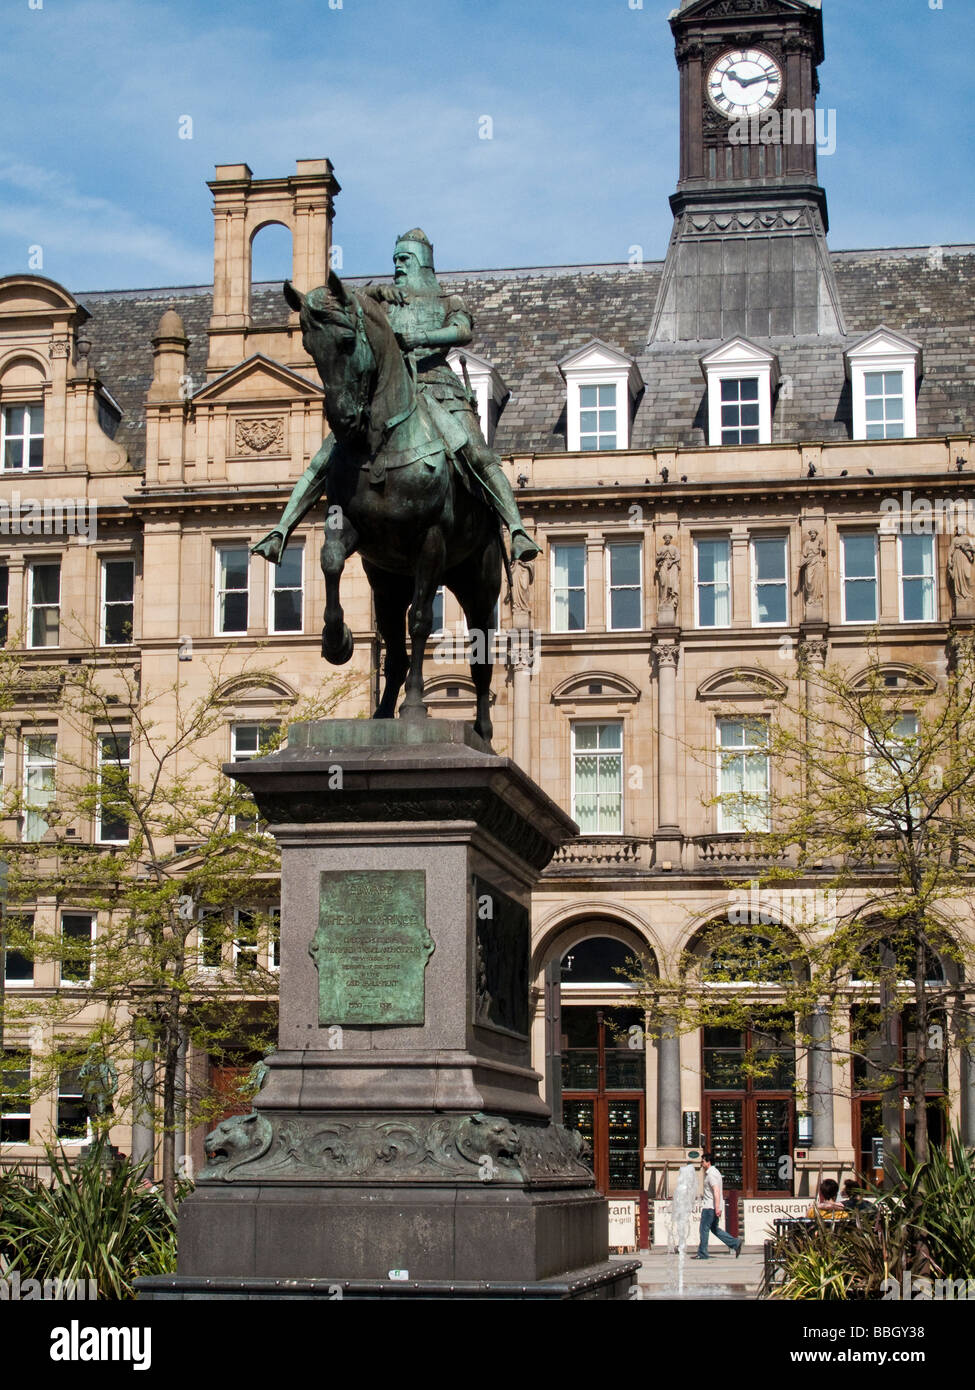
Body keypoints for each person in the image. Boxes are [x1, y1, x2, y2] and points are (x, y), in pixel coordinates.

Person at [252, 228, 540, 567]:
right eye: (394, 260)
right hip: (387, 396)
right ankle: (281, 531)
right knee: (327, 454)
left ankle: (517, 529)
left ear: (422, 262)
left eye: (404, 259)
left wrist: (419, 337)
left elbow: (463, 331)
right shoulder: (384, 301)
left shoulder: (448, 301)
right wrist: (375, 290)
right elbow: (345, 301)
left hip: (438, 387)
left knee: (477, 453)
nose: (398, 265)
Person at [692, 1152, 744, 1259]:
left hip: (709, 1207)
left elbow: (716, 1190)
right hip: (713, 1206)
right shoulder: (715, 1172)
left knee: (703, 1229)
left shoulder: (711, 1174)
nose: (701, 1164)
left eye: (703, 1161)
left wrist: (717, 1207)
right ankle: (735, 1243)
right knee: (715, 1229)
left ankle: (703, 1253)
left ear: (708, 1162)